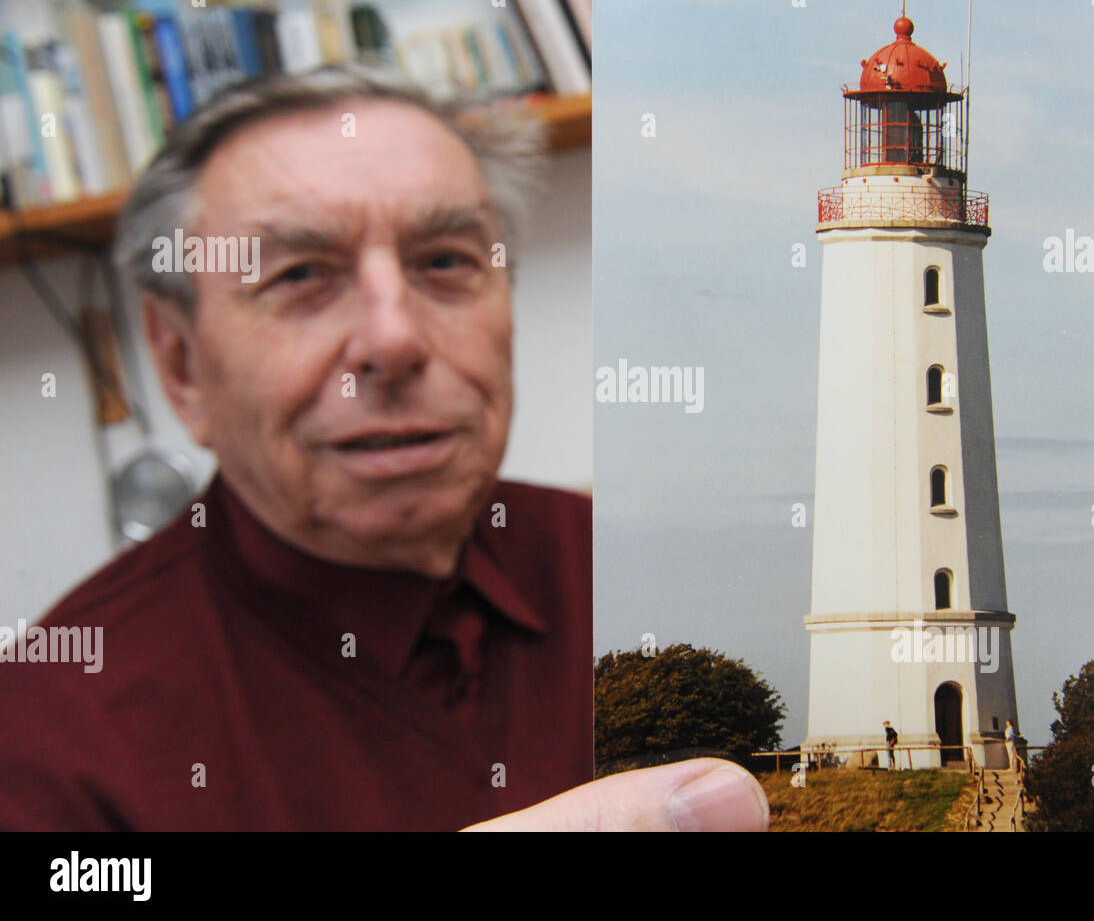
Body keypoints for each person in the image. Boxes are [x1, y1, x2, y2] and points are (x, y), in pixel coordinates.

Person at [0, 65, 768, 832]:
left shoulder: (644, 581)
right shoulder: (53, 745)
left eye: (444, 261)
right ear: (181, 366)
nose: (394, 338)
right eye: (300, 274)